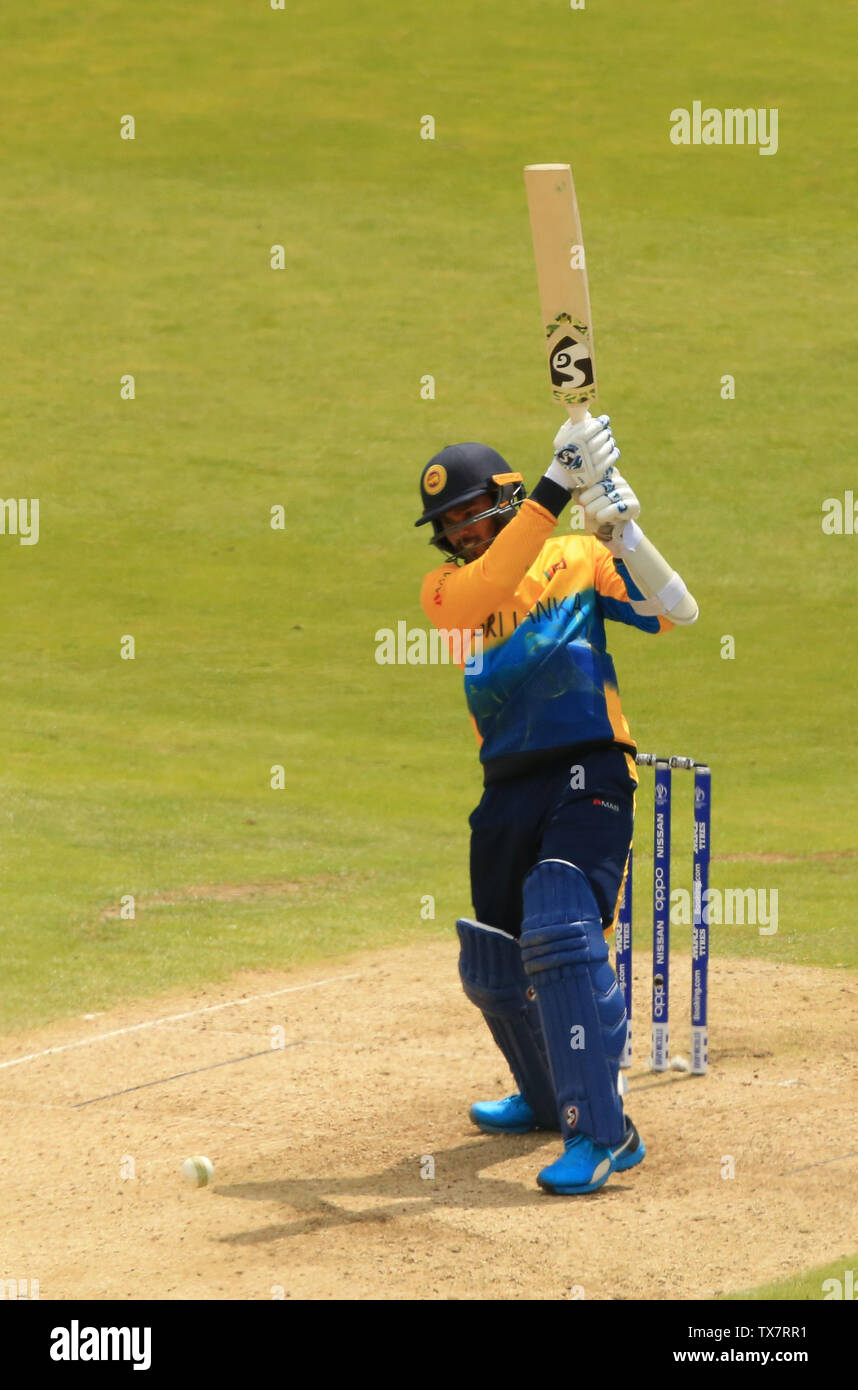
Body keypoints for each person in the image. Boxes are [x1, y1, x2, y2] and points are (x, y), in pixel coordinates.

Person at [415, 415, 698, 1195]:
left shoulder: (576, 556)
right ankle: (549, 1099)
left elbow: (678, 611)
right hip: (506, 781)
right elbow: (485, 592)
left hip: (590, 767)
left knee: (564, 928)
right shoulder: (446, 592)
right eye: (449, 524)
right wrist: (556, 483)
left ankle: (605, 1133)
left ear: (504, 503)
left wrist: (624, 531)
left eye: (473, 512)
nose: (460, 530)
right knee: (497, 962)